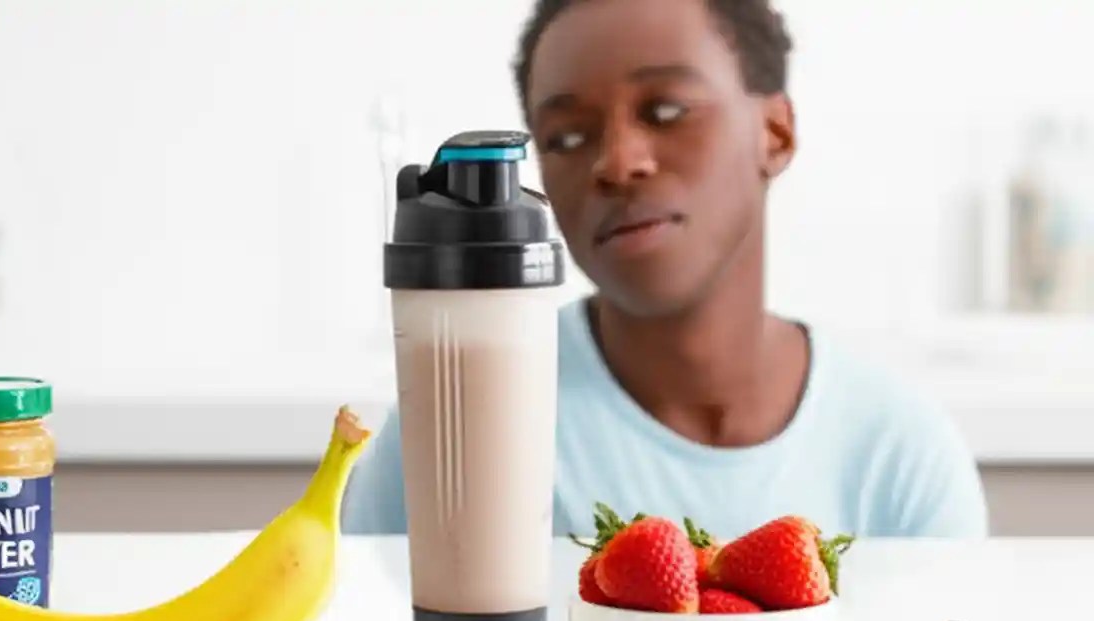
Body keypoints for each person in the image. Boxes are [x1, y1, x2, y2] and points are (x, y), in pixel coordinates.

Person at [341, 0, 989, 540]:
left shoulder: (899, 459)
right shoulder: (454, 423)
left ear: (776, 133)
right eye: (566, 137)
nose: (617, 162)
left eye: (667, 111)